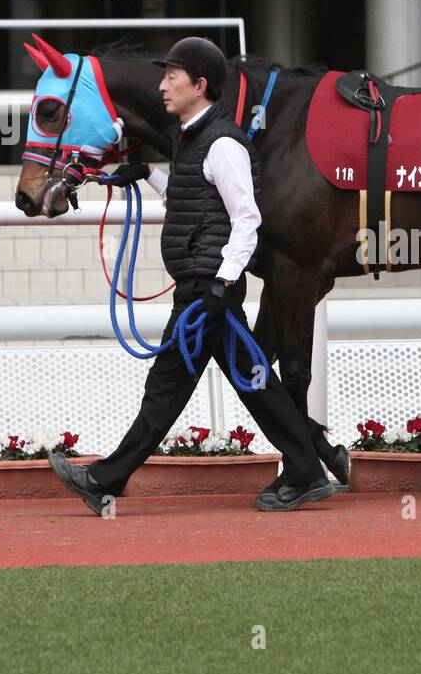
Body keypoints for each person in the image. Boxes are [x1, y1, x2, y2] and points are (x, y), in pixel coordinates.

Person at [50, 36, 348, 514]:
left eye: (172, 77)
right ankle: (308, 469)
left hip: (208, 286)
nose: (162, 85)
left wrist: (222, 284)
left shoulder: (223, 143)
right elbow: (193, 197)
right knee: (251, 382)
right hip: (204, 286)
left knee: (170, 386)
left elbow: (246, 218)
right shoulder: (192, 138)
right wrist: (144, 175)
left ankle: (106, 478)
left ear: (200, 85)